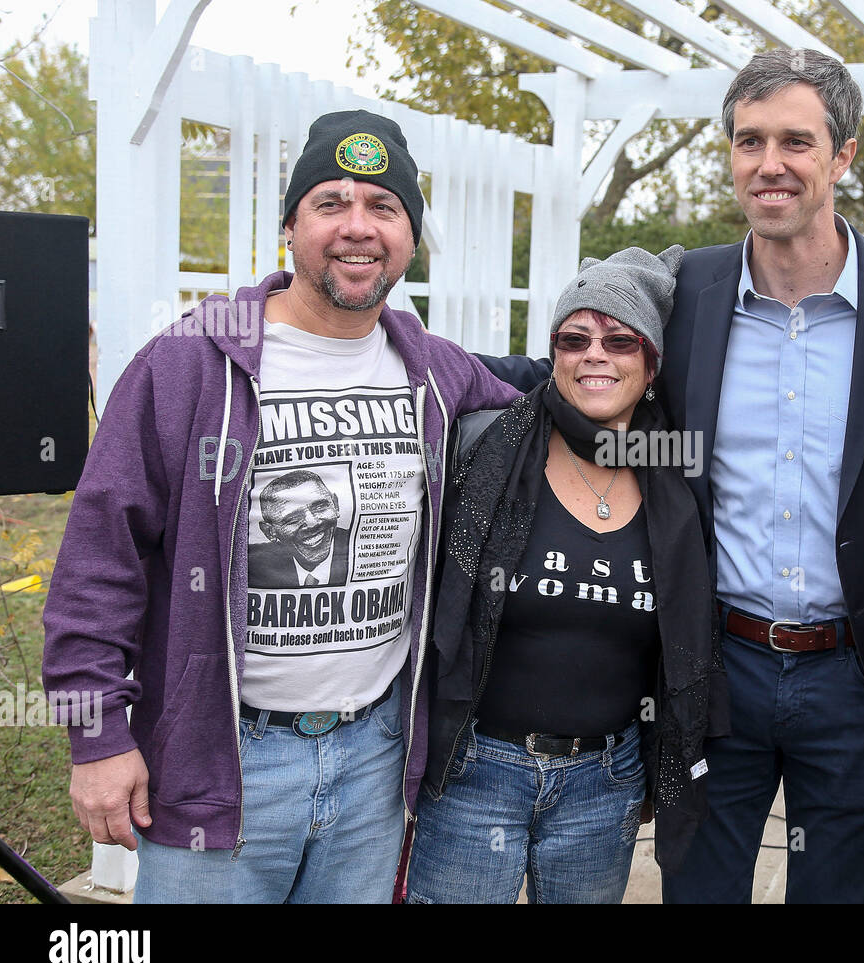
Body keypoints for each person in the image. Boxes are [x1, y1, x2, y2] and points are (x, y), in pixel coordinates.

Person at [481, 48, 864, 903]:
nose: (770, 164)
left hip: (854, 673)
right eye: (749, 141)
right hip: (712, 667)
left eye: (796, 142)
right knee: (696, 889)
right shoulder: (684, 286)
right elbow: (582, 364)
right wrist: (403, 362)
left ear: (843, 155)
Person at [41, 109, 518, 903]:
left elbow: (552, 403)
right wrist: (95, 736)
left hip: (375, 757)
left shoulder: (434, 371)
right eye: (331, 202)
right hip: (223, 762)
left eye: (383, 207)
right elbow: (97, 559)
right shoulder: (191, 361)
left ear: (409, 235)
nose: (357, 228)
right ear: (291, 226)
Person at [405, 246, 725, 903]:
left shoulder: (677, 474)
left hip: (604, 782)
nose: (595, 354)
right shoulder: (489, 447)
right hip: (476, 771)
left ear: (652, 360)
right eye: (574, 338)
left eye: (620, 339)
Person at [247, 469, 351, 588]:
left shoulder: (364, 544)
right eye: (293, 519)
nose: (312, 523)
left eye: (320, 507)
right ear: (270, 532)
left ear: (335, 505)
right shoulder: (254, 563)